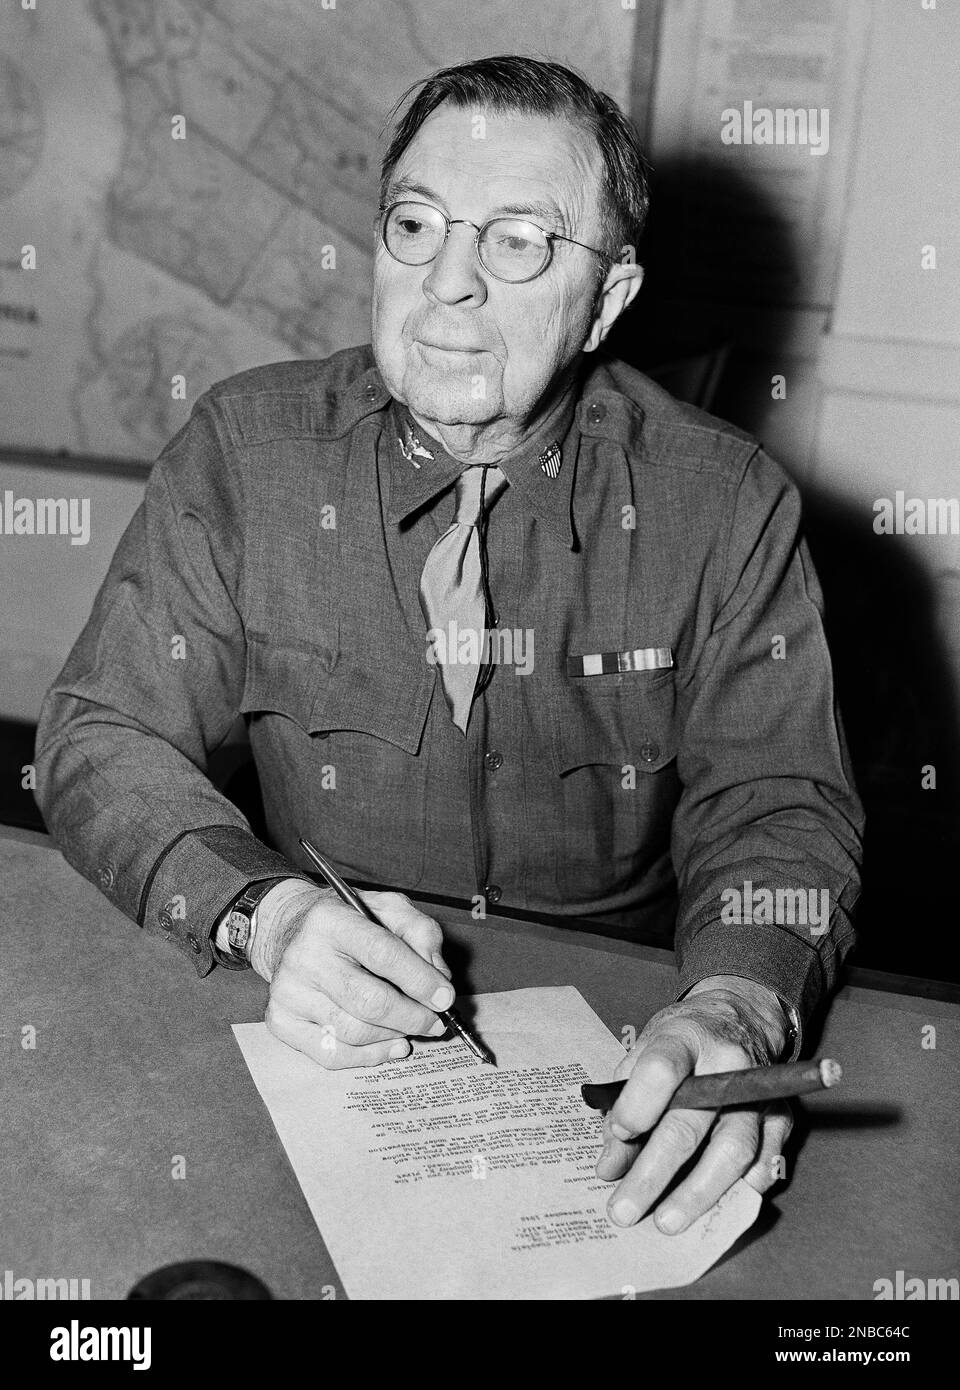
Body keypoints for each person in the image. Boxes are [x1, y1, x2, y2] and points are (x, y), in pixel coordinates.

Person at [34, 55, 863, 1236]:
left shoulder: (721, 505)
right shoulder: (247, 454)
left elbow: (781, 805)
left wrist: (735, 1005)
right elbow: (102, 730)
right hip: (313, 1026)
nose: (449, 285)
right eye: (416, 224)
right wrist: (261, 913)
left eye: (519, 241)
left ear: (610, 298)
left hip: (609, 1062)